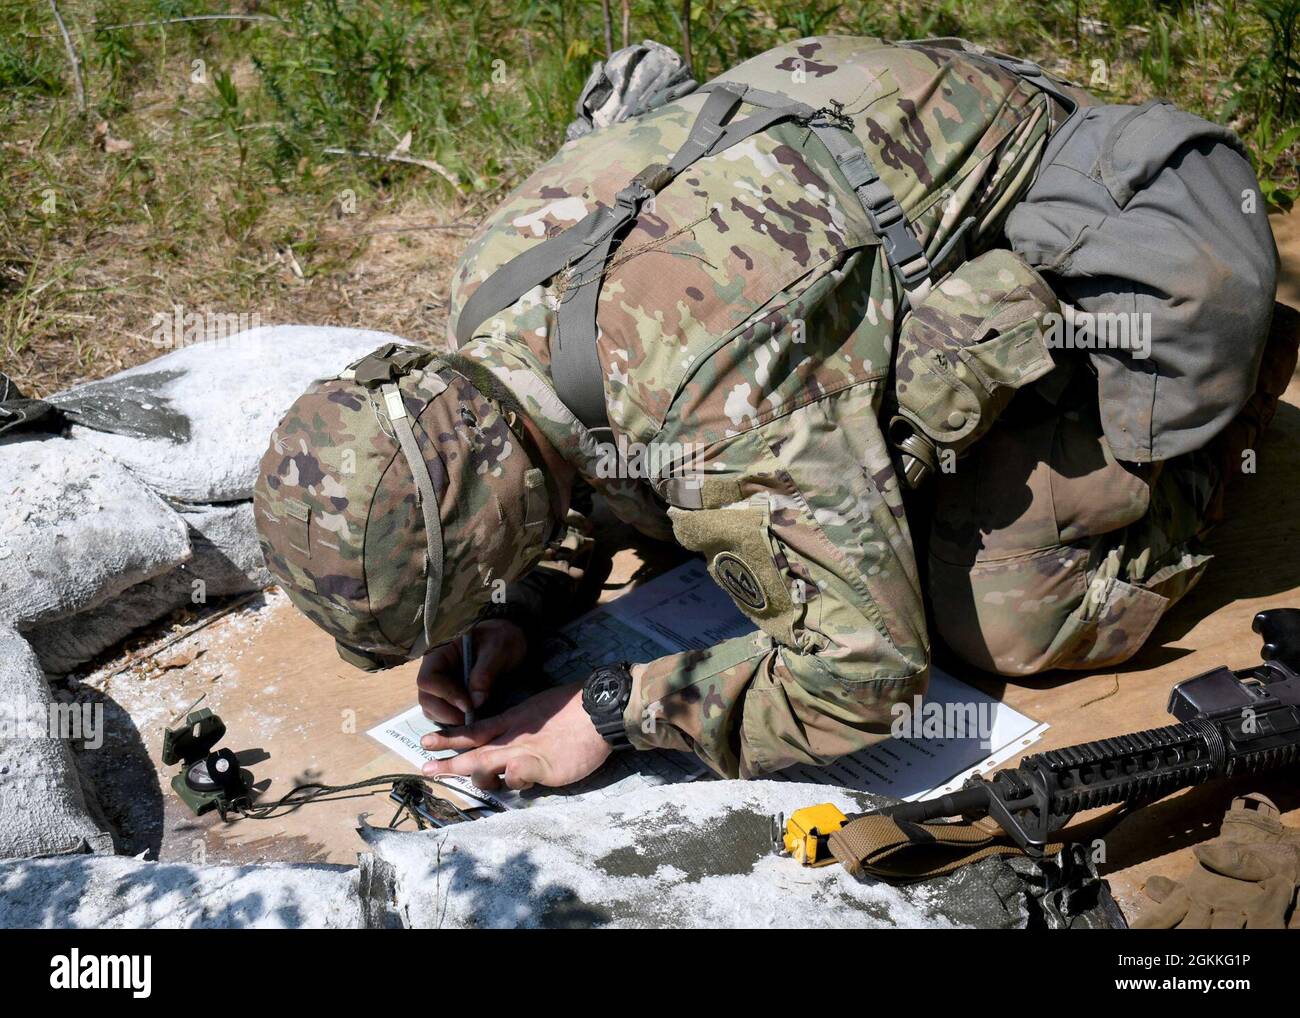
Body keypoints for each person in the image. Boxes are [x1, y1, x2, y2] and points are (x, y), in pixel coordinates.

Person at [254, 37, 1291, 793]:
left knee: (1002, 617)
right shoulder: (486, 301)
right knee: (702, 506)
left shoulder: (706, 388)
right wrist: (515, 612)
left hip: (1081, 209)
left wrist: (614, 714)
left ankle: (1214, 424)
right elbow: (575, 445)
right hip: (870, 160)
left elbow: (865, 679)